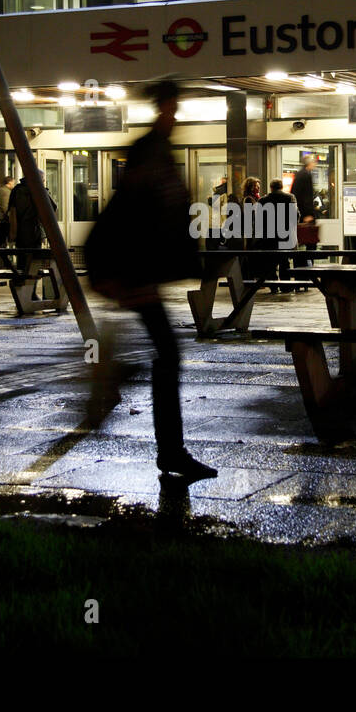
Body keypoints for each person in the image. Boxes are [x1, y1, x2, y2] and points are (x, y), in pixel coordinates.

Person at [84, 79, 216, 482]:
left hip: (129, 266)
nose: (175, 114)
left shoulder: (157, 150)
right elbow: (135, 214)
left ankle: (113, 380)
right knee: (169, 356)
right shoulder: (150, 151)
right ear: (165, 106)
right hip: (126, 266)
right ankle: (168, 449)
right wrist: (132, 275)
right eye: (172, 107)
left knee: (166, 356)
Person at [291, 156, 319, 267]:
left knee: (302, 241)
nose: (315, 164)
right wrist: (307, 214)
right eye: (314, 162)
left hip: (300, 213)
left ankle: (301, 266)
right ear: (309, 164)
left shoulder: (300, 174)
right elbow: (306, 196)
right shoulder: (306, 175)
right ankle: (307, 267)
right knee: (310, 242)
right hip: (305, 215)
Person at [0, 176, 16, 247]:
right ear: (9, 182)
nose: (13, 185)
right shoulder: (6, 192)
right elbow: (6, 207)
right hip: (0, 220)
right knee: (1, 241)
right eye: (13, 183)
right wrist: (11, 218)